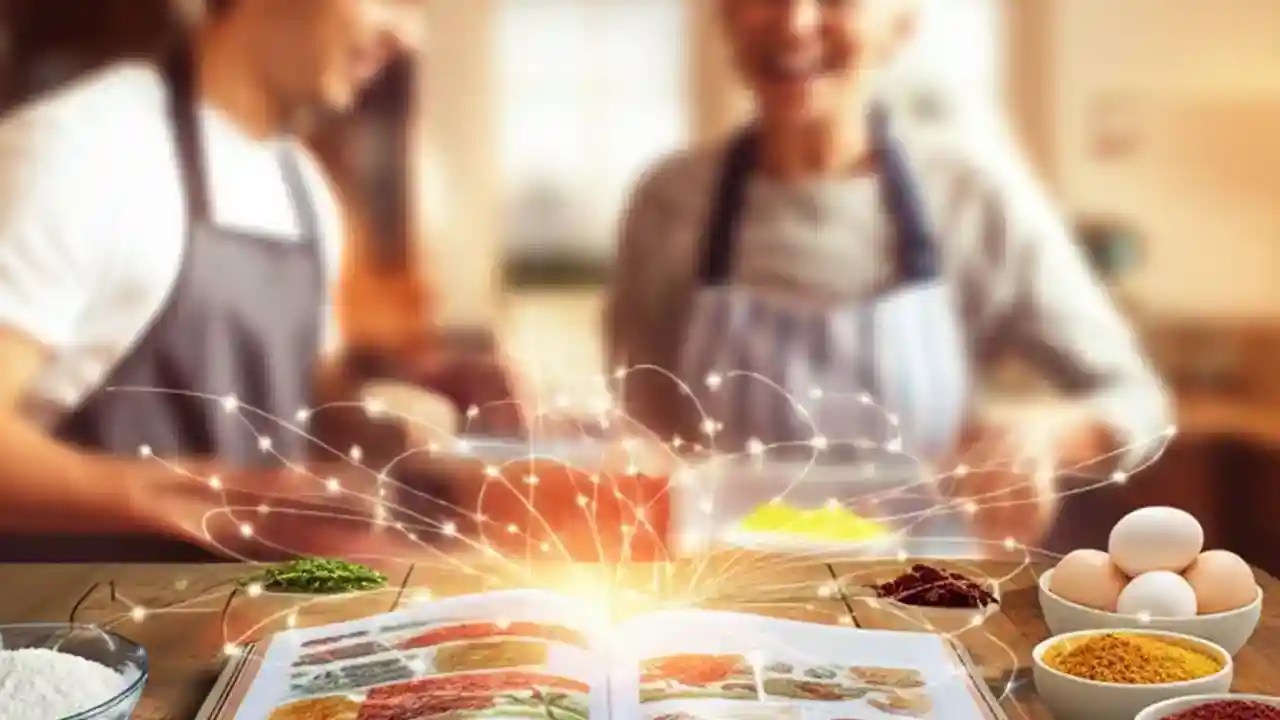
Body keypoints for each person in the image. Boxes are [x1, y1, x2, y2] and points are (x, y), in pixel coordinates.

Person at [605, 0, 1171, 545]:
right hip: (725, 598)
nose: (796, 22)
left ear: (900, 24)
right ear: (725, 14)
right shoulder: (668, 201)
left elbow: (1139, 401)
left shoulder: (972, 198)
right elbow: (641, 421)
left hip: (925, 597)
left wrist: (1043, 437)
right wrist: (625, 459)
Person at [0, 0, 506, 560]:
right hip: (88, 630)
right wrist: (199, 500)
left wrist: (404, 401)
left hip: (237, 626)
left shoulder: (304, 188)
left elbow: (293, 398)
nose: (408, 38)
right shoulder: (80, 153)